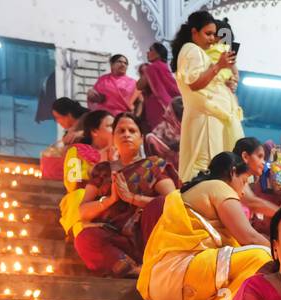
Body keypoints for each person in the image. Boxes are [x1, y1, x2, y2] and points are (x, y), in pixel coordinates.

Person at [137, 150, 272, 300]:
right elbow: (249, 238)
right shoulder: (219, 187)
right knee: (263, 256)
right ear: (232, 172)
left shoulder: (195, 190)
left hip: (166, 281)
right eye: (244, 181)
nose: (242, 191)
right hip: (183, 270)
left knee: (239, 265)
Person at [74, 113, 178, 277]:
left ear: (141, 137)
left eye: (132, 130)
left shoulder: (153, 165)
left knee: (161, 204)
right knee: (85, 238)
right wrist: (110, 201)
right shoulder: (103, 170)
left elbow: (175, 203)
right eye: (121, 131)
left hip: (147, 237)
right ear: (113, 137)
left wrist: (132, 198)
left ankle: (153, 263)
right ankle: (130, 269)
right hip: (116, 240)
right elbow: (83, 211)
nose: (126, 134)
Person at [174, 10, 243, 182]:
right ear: (194, 32)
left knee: (214, 169)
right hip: (204, 118)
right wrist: (219, 66)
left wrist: (224, 81)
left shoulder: (200, 53)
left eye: (214, 34)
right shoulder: (192, 50)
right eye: (208, 34)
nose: (212, 38)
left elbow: (211, 81)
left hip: (210, 116)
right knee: (204, 167)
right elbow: (195, 83)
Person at [58, 109, 114, 240]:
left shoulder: (118, 153)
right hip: (84, 197)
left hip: (110, 197)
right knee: (79, 195)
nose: (114, 129)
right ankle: (83, 228)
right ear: (94, 131)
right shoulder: (76, 151)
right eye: (109, 126)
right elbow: (74, 184)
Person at [137, 42, 180, 130]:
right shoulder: (164, 67)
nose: (147, 53)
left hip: (158, 106)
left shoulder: (152, 68)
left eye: (150, 50)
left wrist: (145, 72)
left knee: (158, 135)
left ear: (158, 54)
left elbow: (139, 85)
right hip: (170, 105)